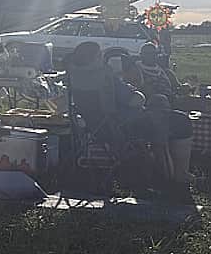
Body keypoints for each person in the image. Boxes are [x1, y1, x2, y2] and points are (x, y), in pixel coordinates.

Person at [66, 42, 192, 201]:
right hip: (124, 127)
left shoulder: (75, 75)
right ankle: (179, 175)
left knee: (159, 104)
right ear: (95, 57)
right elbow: (136, 101)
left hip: (97, 129)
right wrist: (136, 92)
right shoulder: (103, 76)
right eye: (100, 55)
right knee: (181, 121)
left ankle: (165, 168)